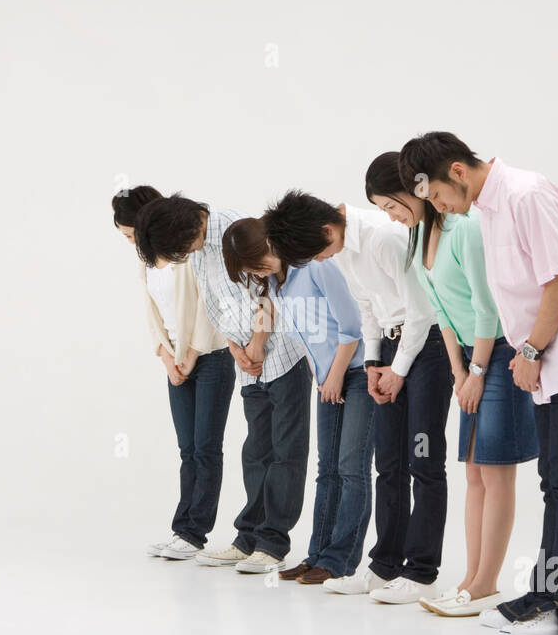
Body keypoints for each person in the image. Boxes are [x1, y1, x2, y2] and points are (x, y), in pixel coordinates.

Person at [398, 132, 558, 635]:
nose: (437, 208)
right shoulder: (489, 209)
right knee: (555, 482)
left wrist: (529, 351)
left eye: (436, 196)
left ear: (457, 171)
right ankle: (545, 595)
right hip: (546, 364)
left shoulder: (526, 193)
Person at [365, 152, 538, 619]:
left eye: (394, 204)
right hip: (467, 359)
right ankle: (470, 580)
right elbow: (441, 310)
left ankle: (485, 584)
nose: (393, 215)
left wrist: (478, 372)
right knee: (474, 472)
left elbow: (486, 308)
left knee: (496, 470)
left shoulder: (465, 230)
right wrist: (459, 372)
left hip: (499, 351)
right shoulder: (419, 238)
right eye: (383, 210)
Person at [262, 191, 452, 604]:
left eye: (317, 253)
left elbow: (421, 311)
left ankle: (421, 573)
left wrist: (398, 371)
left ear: (327, 229)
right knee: (389, 465)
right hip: (386, 346)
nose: (319, 262)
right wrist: (371, 364)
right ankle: (385, 567)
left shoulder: (384, 237)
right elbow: (366, 308)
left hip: (428, 346)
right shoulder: (340, 248)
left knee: (425, 464)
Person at [134, 194, 311, 574]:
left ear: (189, 228)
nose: (184, 255)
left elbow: (271, 288)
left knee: (285, 453)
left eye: (180, 248)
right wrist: (236, 347)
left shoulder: (237, 226)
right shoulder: (196, 250)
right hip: (248, 359)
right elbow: (214, 304)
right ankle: (247, 539)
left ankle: (272, 544)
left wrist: (258, 343)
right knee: (256, 452)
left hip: (282, 353)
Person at [222, 214, 373, 585]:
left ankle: (341, 561)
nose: (258, 273)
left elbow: (352, 327)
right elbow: (306, 338)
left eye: (259, 263)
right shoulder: (277, 286)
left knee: (352, 469)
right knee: (328, 471)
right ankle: (317, 555)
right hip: (326, 380)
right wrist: (322, 377)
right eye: (252, 270)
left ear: (271, 244)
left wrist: (335, 375)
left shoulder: (316, 267)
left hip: (356, 373)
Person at [112, 185, 235, 561]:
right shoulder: (147, 259)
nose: (132, 243)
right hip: (177, 363)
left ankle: (195, 533)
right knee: (187, 450)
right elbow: (151, 313)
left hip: (211, 355)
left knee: (205, 447)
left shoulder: (185, 251)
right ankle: (182, 529)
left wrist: (191, 354)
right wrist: (168, 358)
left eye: (132, 234)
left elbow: (207, 304)